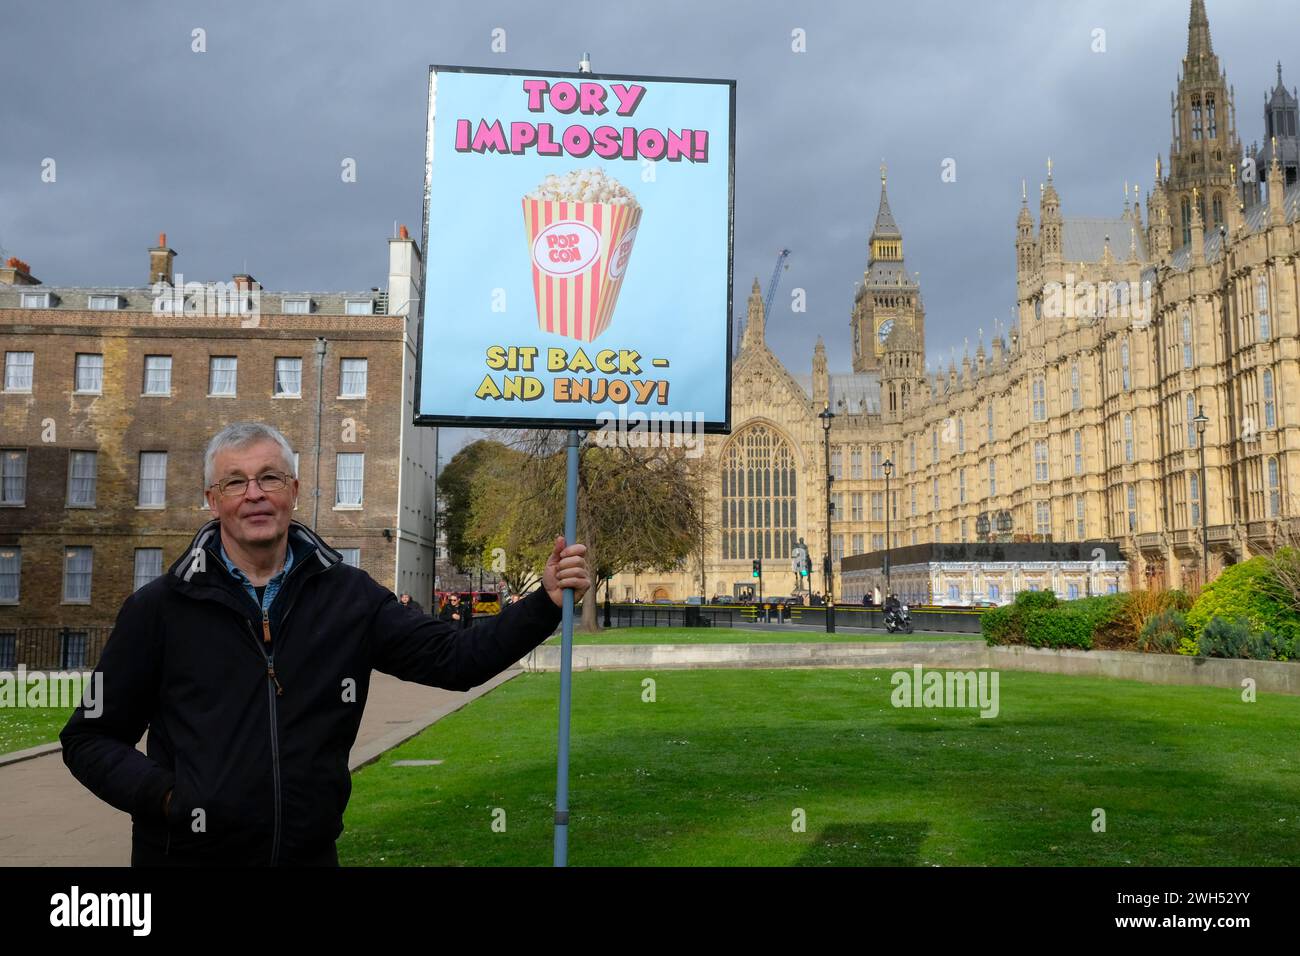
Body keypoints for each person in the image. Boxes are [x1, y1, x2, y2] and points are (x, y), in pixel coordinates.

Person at [60, 421, 589, 867]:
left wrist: (543, 602)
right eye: (236, 482)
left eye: (270, 477)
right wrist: (168, 797)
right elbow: (90, 739)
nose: (255, 494)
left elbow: (456, 660)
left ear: (294, 488)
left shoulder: (348, 597)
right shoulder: (160, 609)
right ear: (212, 499)